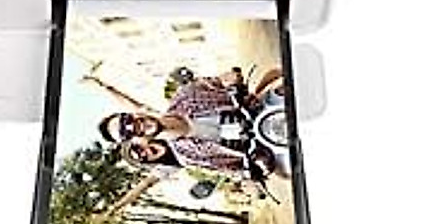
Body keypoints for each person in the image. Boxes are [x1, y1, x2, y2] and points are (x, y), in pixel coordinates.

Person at [94, 66, 285, 175]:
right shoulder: (188, 157)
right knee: (286, 173)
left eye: (126, 119)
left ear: (133, 114)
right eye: (126, 132)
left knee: (283, 81)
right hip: (269, 146)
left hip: (263, 109)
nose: (132, 125)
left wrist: (231, 78)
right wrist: (251, 178)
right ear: (135, 140)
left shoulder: (185, 95)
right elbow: (233, 170)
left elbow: (218, 80)